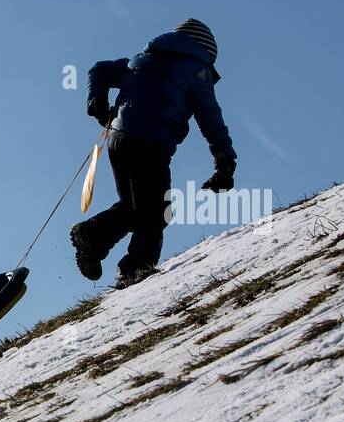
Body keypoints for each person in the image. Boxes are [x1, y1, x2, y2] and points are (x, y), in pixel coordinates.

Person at [70, 18, 237, 289]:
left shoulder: (141, 59)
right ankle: (133, 269)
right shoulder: (197, 70)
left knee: (135, 206)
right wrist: (224, 161)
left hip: (118, 138)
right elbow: (211, 119)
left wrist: (96, 100)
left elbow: (99, 69)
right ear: (206, 52)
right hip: (151, 145)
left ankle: (96, 238)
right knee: (158, 211)